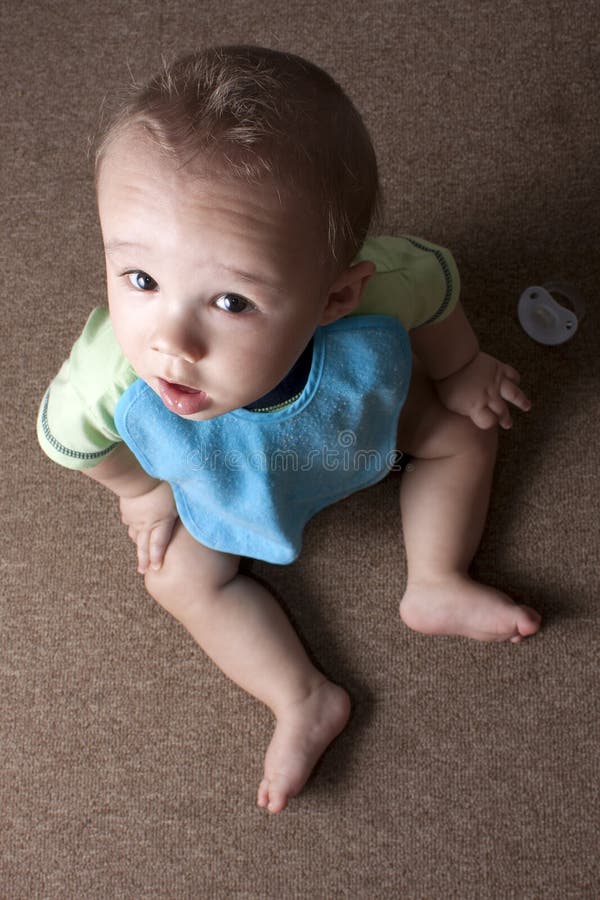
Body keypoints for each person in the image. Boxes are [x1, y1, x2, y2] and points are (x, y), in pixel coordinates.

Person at [37, 45, 541, 814]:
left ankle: (436, 579)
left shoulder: (377, 292)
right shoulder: (113, 374)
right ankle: (300, 696)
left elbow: (434, 287)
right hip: (218, 480)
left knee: (465, 431)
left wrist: (464, 363)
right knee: (176, 576)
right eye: (140, 279)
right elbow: (69, 439)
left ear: (334, 296)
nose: (170, 341)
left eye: (231, 302)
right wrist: (141, 491)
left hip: (350, 428)